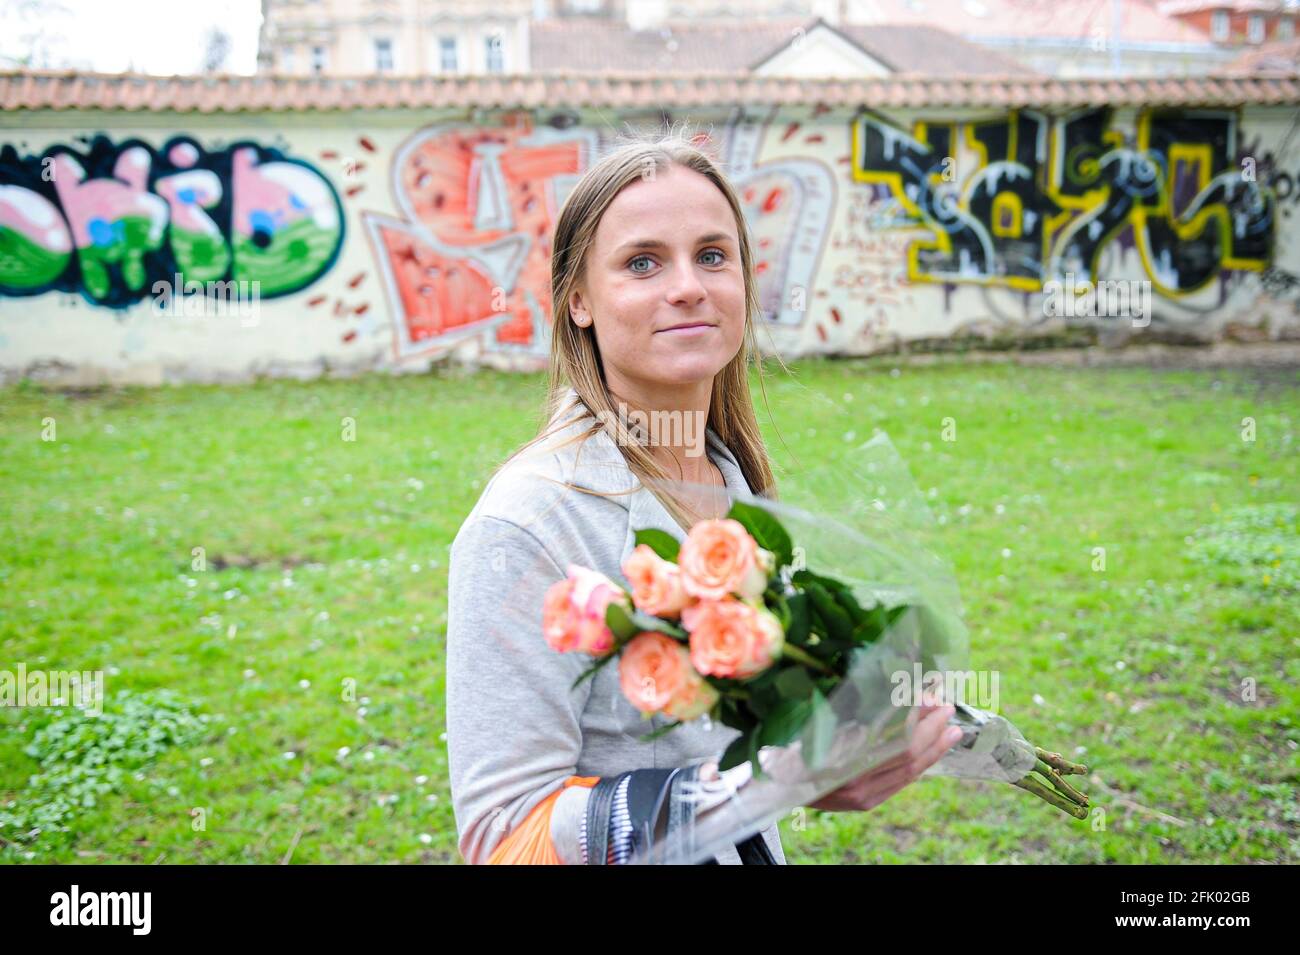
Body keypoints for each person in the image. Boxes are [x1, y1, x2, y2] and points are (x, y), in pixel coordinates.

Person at [445, 126, 962, 865]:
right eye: (643, 261)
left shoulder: (735, 484)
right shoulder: (525, 523)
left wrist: (859, 720)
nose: (689, 284)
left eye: (713, 255)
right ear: (578, 302)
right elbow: (504, 834)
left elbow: (735, 737)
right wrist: (776, 776)